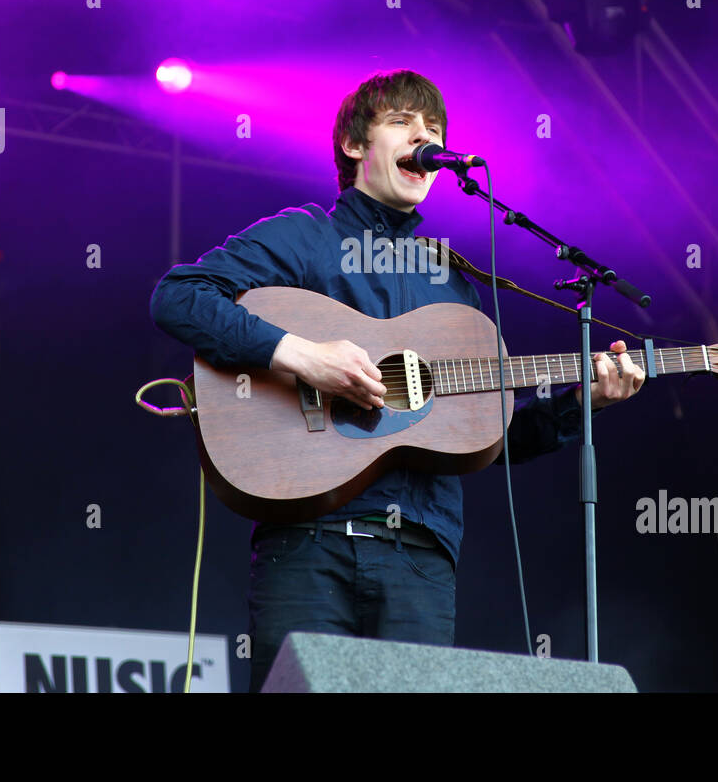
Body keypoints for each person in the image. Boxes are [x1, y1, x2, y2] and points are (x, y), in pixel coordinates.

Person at [150, 69, 645, 692]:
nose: (425, 137)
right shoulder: (307, 237)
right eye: (403, 123)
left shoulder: (452, 281)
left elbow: (488, 437)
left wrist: (584, 404)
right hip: (306, 544)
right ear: (356, 145)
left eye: (434, 129)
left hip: (420, 557)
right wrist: (298, 354)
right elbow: (179, 296)